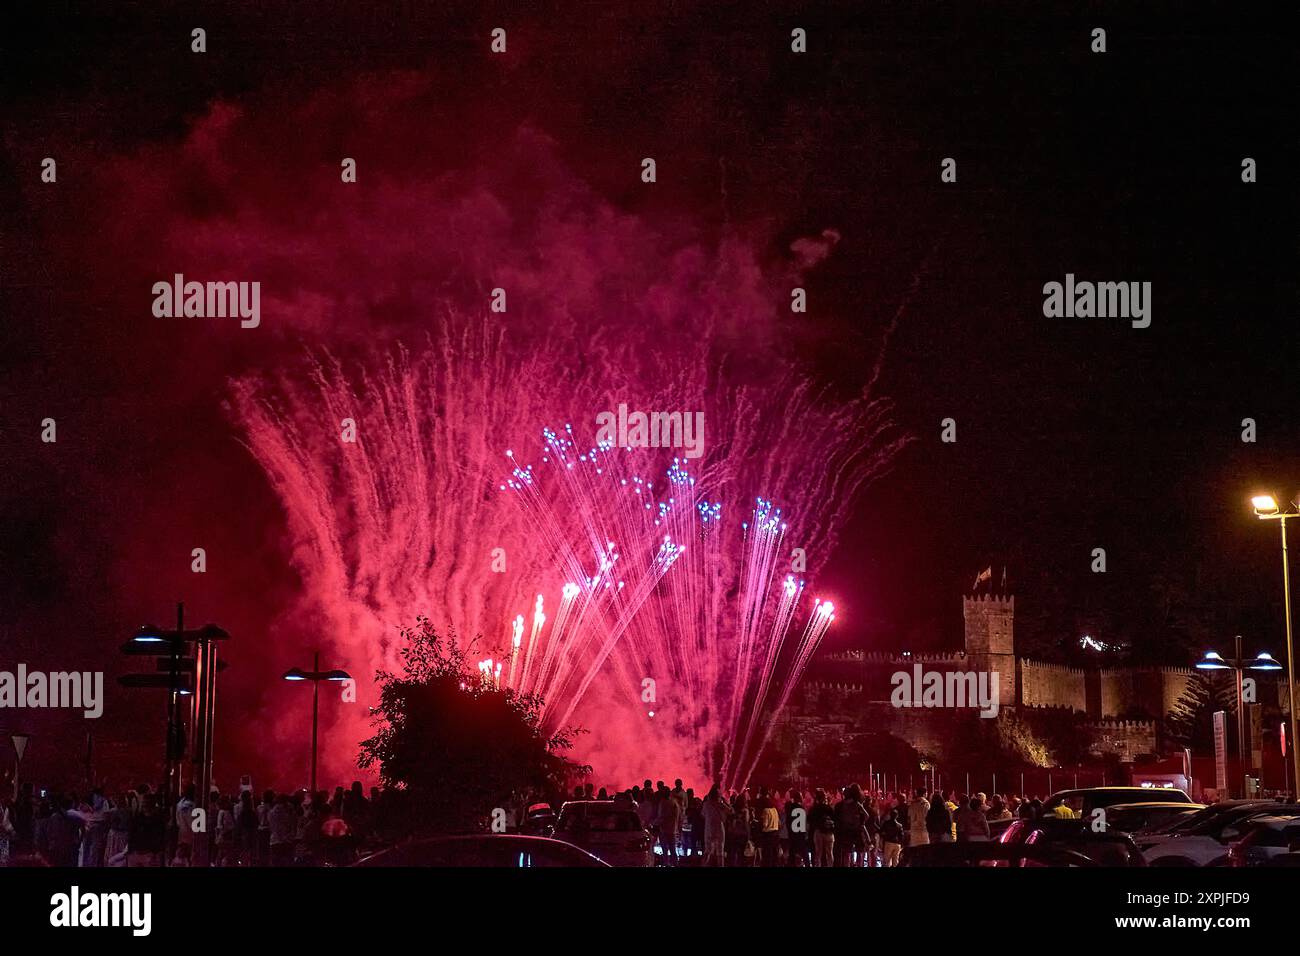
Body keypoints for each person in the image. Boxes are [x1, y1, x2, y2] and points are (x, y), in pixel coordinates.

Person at [834, 784, 868, 867]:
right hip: (857, 830)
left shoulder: (840, 805)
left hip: (846, 831)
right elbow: (867, 815)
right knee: (860, 852)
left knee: (847, 853)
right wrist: (861, 821)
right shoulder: (857, 804)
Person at [701, 785, 730, 867]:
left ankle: (704, 865)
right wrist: (723, 802)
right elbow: (730, 811)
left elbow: (703, 815)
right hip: (719, 828)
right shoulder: (721, 805)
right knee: (720, 851)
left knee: (707, 851)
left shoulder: (706, 804)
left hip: (708, 829)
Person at [808, 788, 836, 867]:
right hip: (829, 833)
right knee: (829, 854)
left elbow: (809, 820)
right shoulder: (829, 808)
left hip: (818, 832)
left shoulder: (813, 809)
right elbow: (834, 819)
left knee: (818, 854)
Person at [785, 790, 808, 867]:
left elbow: (788, 821)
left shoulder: (790, 808)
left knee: (792, 854)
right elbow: (803, 823)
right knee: (804, 854)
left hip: (792, 834)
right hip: (800, 834)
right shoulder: (801, 808)